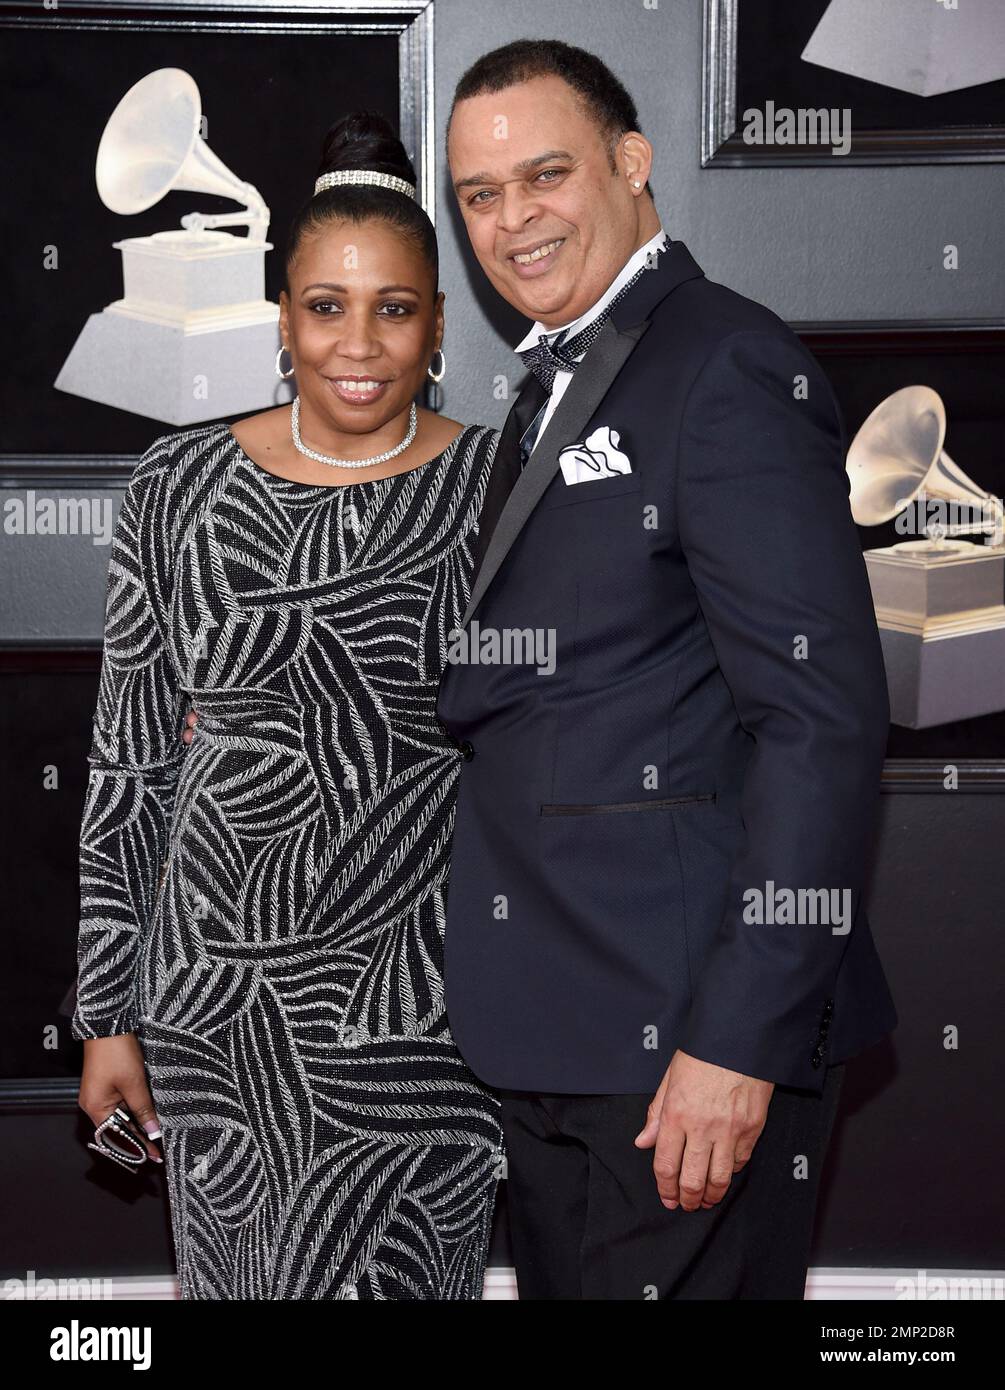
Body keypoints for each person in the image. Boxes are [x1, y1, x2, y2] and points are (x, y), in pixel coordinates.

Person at [434, 39, 898, 1299]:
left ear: (634, 165)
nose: (512, 218)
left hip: (681, 1043)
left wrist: (736, 1041)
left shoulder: (723, 363)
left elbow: (821, 719)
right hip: (563, 1032)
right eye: (478, 194)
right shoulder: (558, 381)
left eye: (544, 174)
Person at [71, 112, 503, 1300]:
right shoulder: (178, 485)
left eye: (394, 308)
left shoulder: (500, 487)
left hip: (425, 1003)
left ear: (438, 325)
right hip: (216, 994)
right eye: (325, 305)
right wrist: (106, 1012)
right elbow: (131, 764)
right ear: (281, 315)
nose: (357, 342)